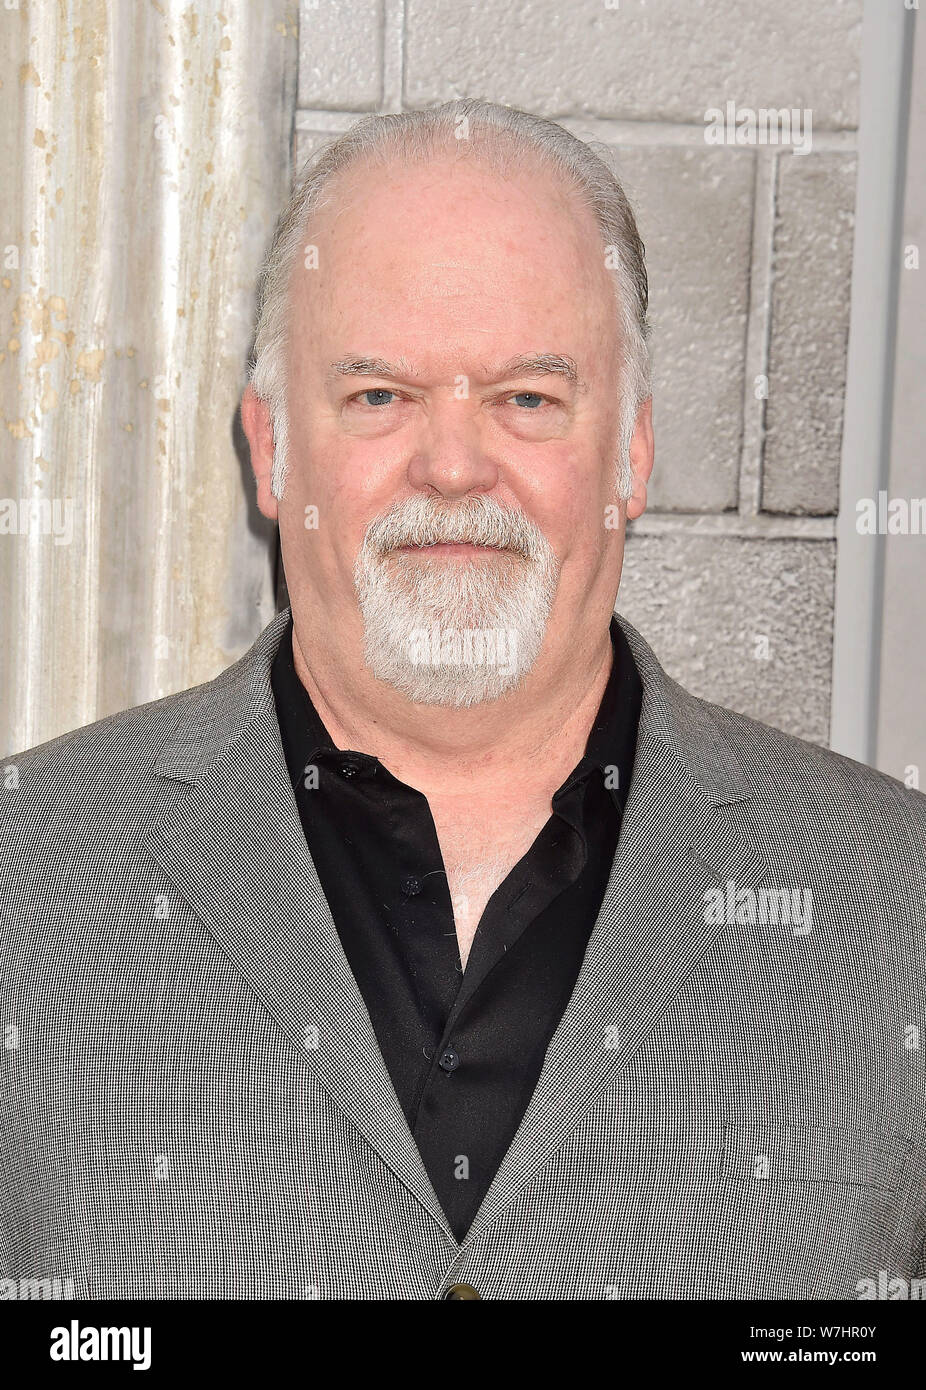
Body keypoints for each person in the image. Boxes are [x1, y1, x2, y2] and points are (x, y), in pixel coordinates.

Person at [1, 100, 923, 1301]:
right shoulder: (21, 877)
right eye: (378, 395)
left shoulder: (897, 903)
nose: (450, 465)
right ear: (270, 448)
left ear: (632, 452)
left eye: (526, 398)